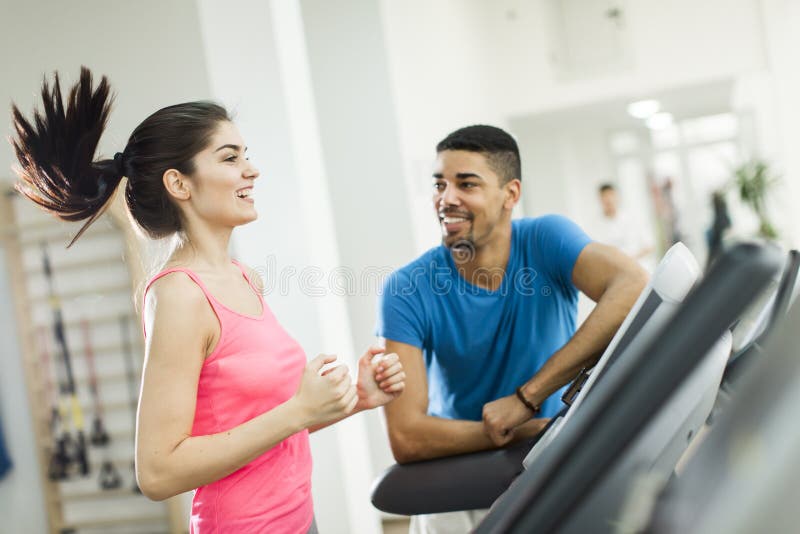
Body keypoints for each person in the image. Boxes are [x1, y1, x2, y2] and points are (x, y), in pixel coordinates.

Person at [10, 68, 406, 534]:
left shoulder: (244, 278)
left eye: (246, 155)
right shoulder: (180, 294)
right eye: (230, 158)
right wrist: (299, 410)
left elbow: (260, 428)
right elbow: (157, 472)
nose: (251, 169)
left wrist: (352, 398)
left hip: (300, 518)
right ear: (180, 184)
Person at [375, 125, 648, 532]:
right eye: (439, 185)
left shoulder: (545, 240)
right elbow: (407, 436)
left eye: (466, 184)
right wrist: (513, 431)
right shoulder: (406, 288)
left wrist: (527, 397)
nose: (446, 198)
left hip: (552, 464)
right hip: (462, 481)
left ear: (510, 194)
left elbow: (633, 284)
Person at [595, 183, 655, 269]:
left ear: (617, 197)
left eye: (611, 195)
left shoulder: (633, 218)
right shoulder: (597, 226)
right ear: (600, 200)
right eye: (605, 197)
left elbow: (649, 246)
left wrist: (628, 261)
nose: (609, 200)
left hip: (640, 268)